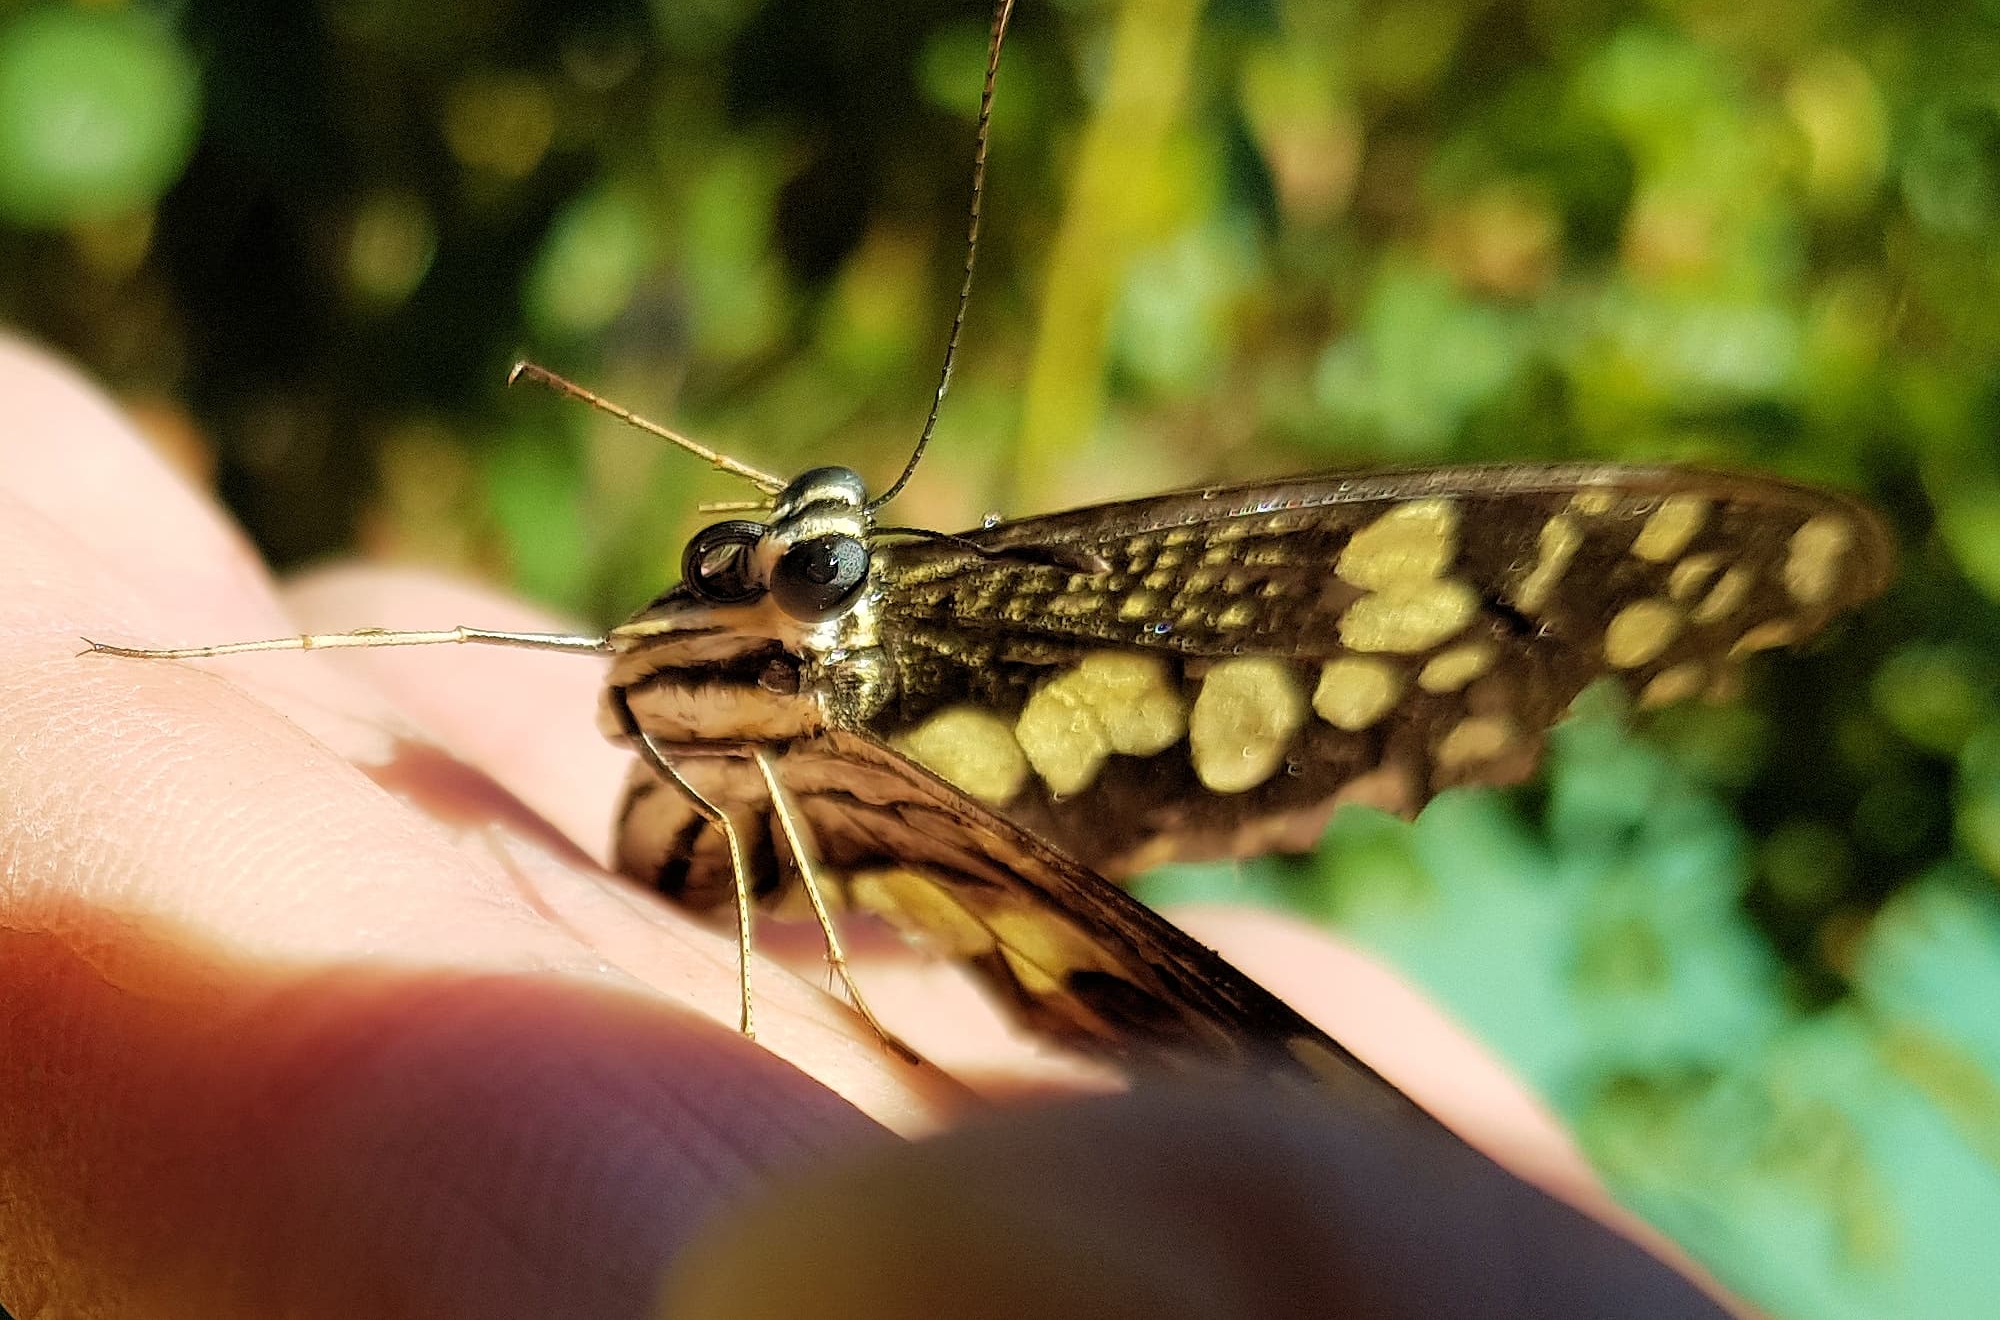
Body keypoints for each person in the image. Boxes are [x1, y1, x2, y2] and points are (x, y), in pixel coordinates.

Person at [0, 338, 1732, 1318]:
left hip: (854, 839)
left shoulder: (860, 673)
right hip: (755, 817)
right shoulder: (768, 624)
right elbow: (624, 661)